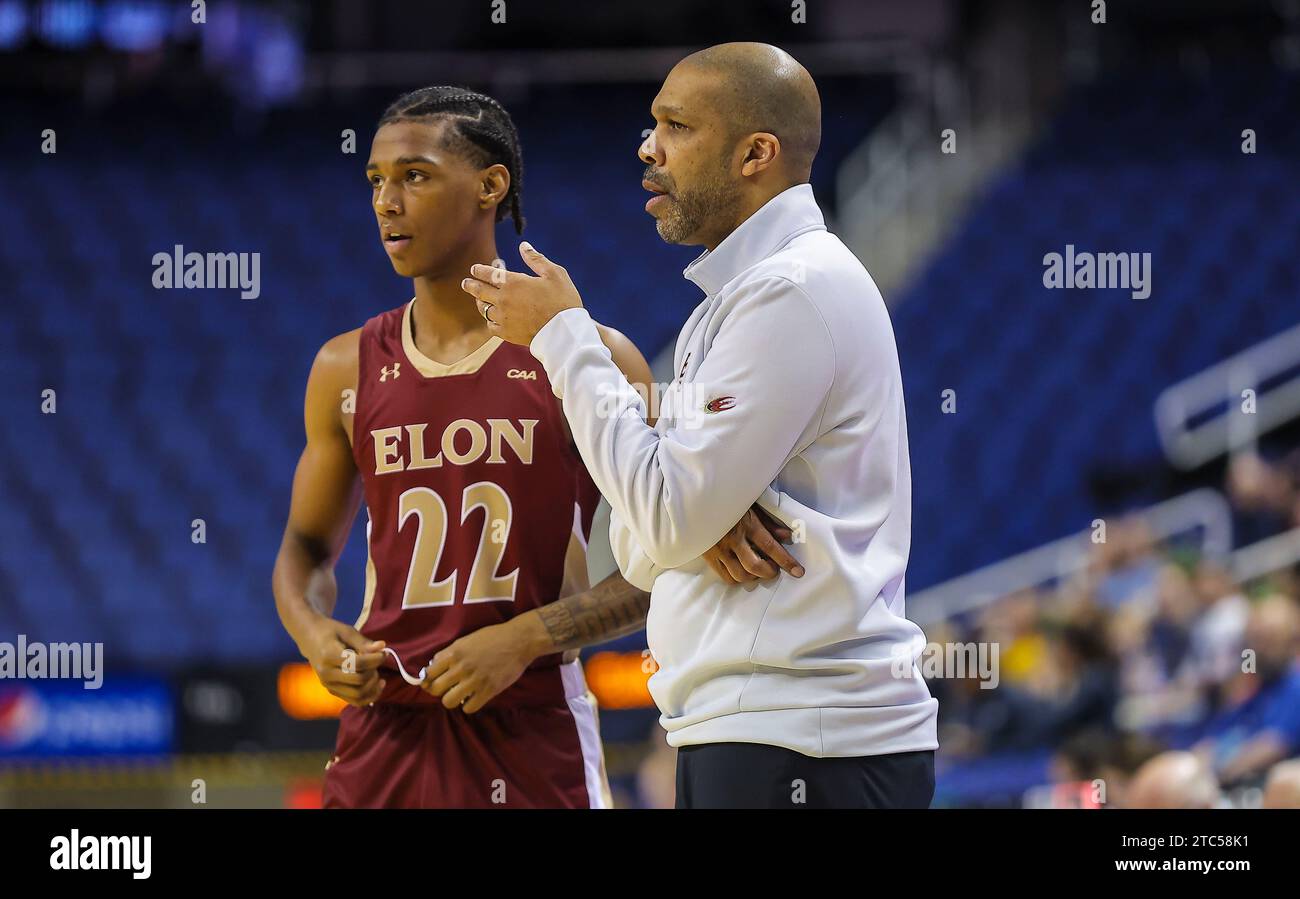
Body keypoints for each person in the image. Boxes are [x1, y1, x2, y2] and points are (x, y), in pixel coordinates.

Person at [463, 43, 939, 808]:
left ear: (757, 153)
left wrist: (562, 336)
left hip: (803, 741)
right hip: (763, 730)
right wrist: (694, 516)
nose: (647, 147)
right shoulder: (737, 299)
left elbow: (662, 514)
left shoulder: (792, 291)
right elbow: (651, 529)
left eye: (676, 126)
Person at [272, 86, 659, 808]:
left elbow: (668, 561)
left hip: (532, 725)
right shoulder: (342, 367)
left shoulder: (589, 358)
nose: (387, 201)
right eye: (376, 181)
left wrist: (523, 639)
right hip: (383, 727)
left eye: (414, 175)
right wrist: (315, 634)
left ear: (491, 185)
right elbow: (303, 553)